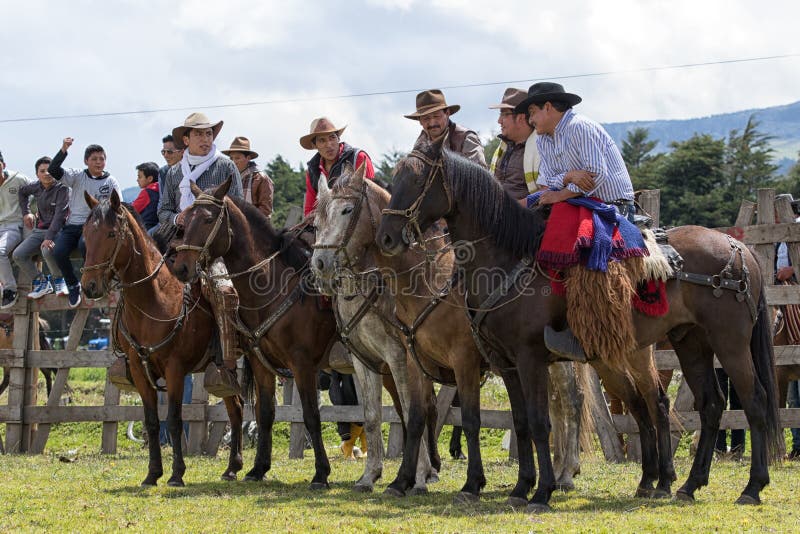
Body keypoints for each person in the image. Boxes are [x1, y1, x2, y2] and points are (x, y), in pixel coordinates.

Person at [516, 82, 636, 362]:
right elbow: (548, 182)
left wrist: (560, 192)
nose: (531, 120)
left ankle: (591, 331)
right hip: (574, 202)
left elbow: (596, 177)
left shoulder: (579, 128)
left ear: (548, 108)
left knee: (580, 251)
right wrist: (569, 177)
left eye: (532, 112)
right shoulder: (544, 138)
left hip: (610, 205)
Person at [158, 112, 244, 397]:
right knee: (141, 282)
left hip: (215, 249)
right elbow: (163, 211)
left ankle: (226, 364)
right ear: (186, 139)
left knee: (224, 292)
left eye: (209, 134)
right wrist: (177, 219)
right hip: (178, 243)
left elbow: (240, 208)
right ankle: (135, 356)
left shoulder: (225, 166)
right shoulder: (172, 172)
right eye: (199, 134)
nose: (205, 140)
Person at [48, 139, 121, 308]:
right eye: (94, 159)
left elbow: (118, 207)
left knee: (85, 246)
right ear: (86, 161)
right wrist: (64, 150)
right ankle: (73, 285)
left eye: (102, 159)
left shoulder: (111, 181)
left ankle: (95, 282)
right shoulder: (76, 176)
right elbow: (53, 170)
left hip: (95, 227)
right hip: (72, 225)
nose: (98, 162)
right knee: (58, 251)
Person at [13, 156, 70, 299]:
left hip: (59, 230)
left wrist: (49, 237)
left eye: (50, 170)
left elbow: (60, 216)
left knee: (47, 251)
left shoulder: (62, 188)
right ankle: (42, 282)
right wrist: (26, 213)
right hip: (39, 230)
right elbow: (22, 192)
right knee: (18, 254)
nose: (47, 173)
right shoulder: (35, 186)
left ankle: (60, 280)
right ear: (37, 174)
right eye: (42, 171)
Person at [301, 117, 375, 216]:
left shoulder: (358, 158)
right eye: (322, 140)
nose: (329, 144)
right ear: (315, 145)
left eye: (332, 137)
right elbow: (309, 211)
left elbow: (372, 199)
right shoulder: (312, 170)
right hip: (326, 225)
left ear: (338, 138)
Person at [405, 89, 486, 167]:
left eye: (436, 116)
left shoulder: (466, 138)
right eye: (426, 118)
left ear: (447, 114)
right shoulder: (420, 144)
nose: (432, 123)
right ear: (420, 121)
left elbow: (479, 177)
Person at [488, 87, 542, 200]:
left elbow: (547, 192)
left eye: (504, 114)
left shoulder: (542, 149)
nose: (499, 120)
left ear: (521, 118)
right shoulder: (502, 147)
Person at [0, 150, 35, 308]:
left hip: (14, 225)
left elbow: (40, 190)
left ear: (3, 165)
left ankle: (10, 289)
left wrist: (31, 213)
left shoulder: (18, 179)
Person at [221, 136, 274, 219]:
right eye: (231, 158)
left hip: (253, 228)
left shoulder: (260, 178)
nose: (234, 162)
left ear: (248, 158)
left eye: (237, 158)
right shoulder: (227, 178)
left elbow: (265, 210)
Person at [131, 162, 160, 231]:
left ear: (150, 178)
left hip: (146, 227)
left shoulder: (147, 192)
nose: (137, 180)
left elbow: (133, 209)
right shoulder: (160, 190)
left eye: (140, 177)